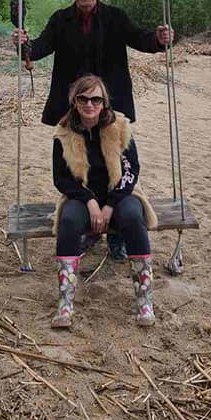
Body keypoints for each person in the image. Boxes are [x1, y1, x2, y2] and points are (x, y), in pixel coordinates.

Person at [13, 0, 172, 261]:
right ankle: (85, 226)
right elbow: (40, 47)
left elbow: (142, 38)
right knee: (77, 167)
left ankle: (118, 234)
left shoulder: (115, 17)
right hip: (73, 110)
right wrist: (24, 46)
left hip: (112, 109)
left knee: (118, 166)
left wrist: (158, 40)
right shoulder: (61, 20)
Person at [50, 75, 158, 329]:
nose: (90, 104)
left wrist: (109, 204)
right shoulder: (64, 133)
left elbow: (131, 171)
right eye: (83, 98)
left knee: (132, 217)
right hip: (81, 194)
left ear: (104, 102)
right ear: (74, 101)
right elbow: (61, 179)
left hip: (118, 193)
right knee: (68, 220)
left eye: (96, 99)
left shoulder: (119, 126)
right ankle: (65, 303)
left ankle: (144, 302)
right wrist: (89, 201)